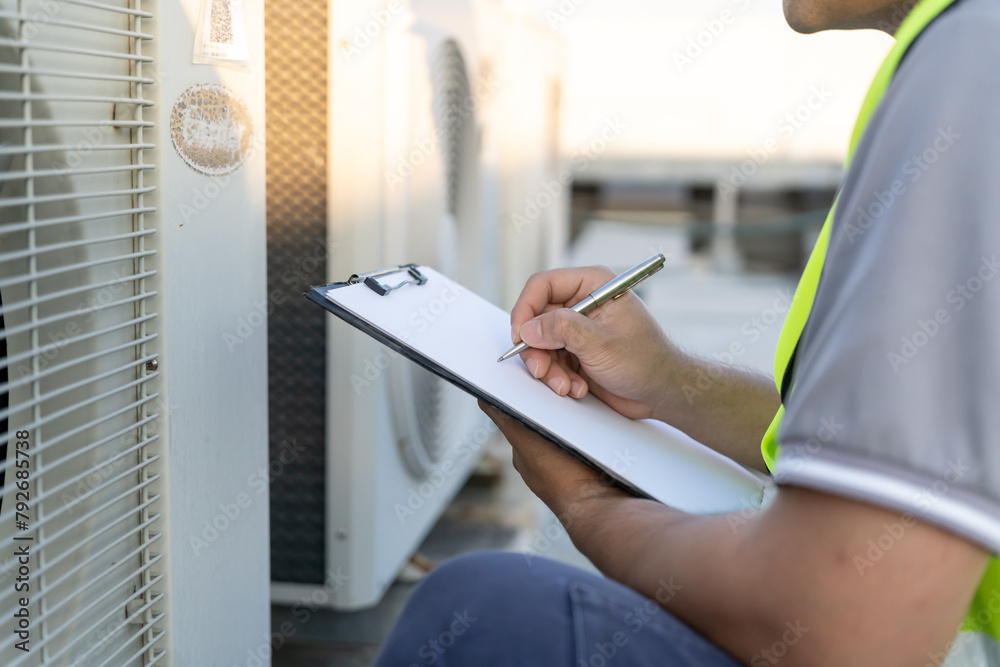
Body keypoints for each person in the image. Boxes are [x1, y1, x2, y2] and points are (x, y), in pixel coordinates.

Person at [374, 0, 1000, 664]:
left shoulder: (974, 51)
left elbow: (836, 626)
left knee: (483, 613)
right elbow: (901, 445)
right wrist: (674, 383)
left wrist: (591, 507)